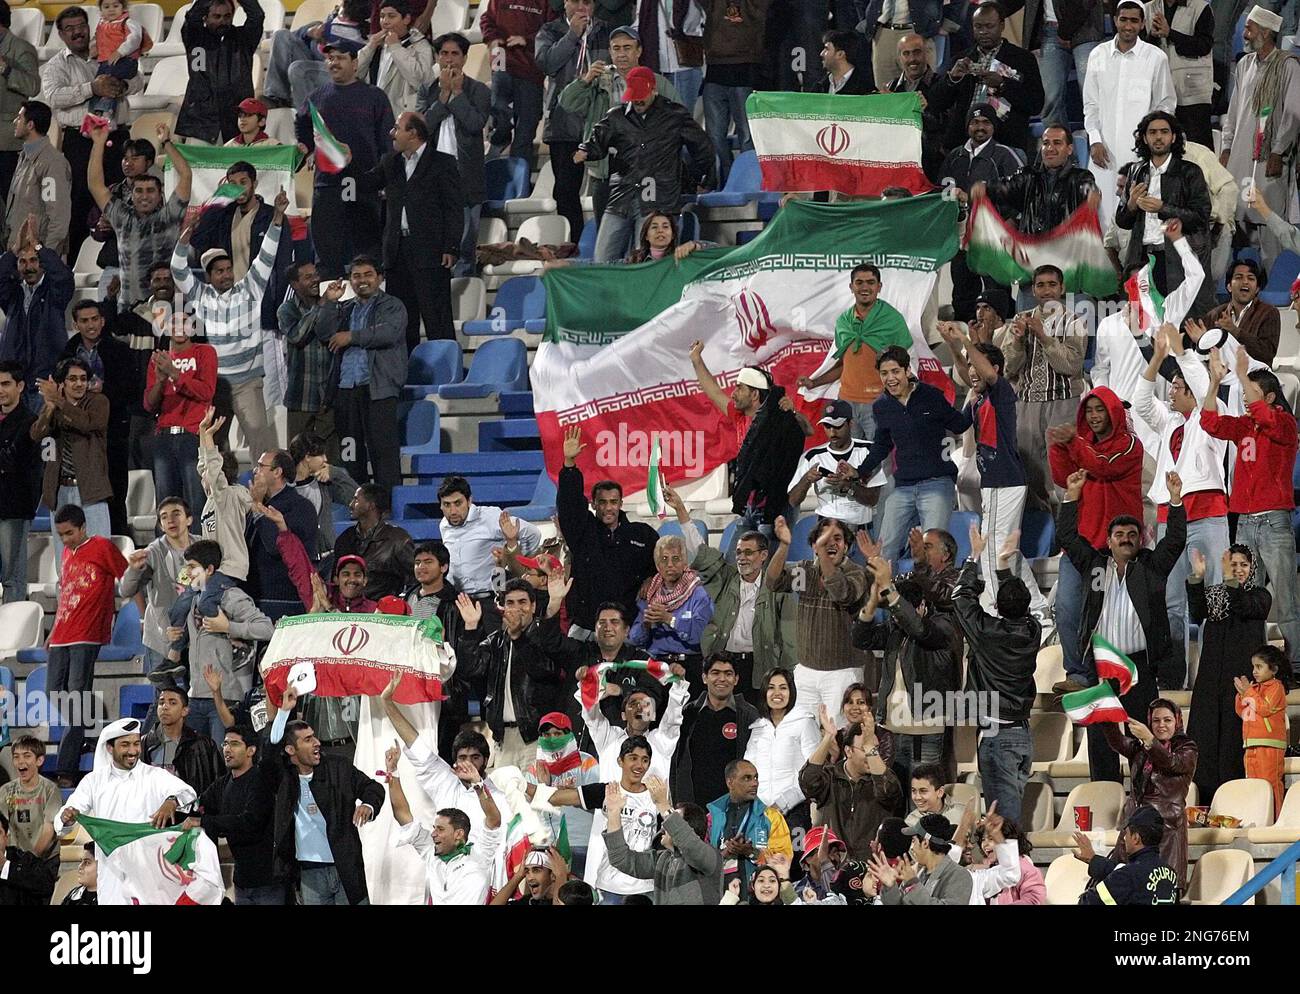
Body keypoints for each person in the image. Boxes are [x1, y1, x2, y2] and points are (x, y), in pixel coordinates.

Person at [1061, 469, 1188, 788]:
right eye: (1120, 534)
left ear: (1140, 538)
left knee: (1142, 740)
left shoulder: (1150, 568)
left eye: (1132, 534)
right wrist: (1071, 497)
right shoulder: (1093, 564)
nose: (1127, 539)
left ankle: (1145, 798)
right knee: (1101, 745)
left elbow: (1174, 542)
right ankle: (1104, 797)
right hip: (1101, 670)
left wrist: (1175, 501)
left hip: (1139, 669)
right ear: (1108, 540)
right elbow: (1067, 538)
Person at [1132, 323, 1226, 690]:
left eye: (1176, 387)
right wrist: (1157, 357)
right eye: (1170, 386)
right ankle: (1174, 678)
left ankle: (1214, 674)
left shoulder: (1208, 418)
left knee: (1216, 596)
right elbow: (1141, 402)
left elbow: (1203, 386)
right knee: (1170, 602)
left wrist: (1182, 351)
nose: (1171, 391)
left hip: (1207, 514)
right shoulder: (1168, 421)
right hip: (1169, 516)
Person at [940, 328, 1052, 625]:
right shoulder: (977, 400)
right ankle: (1037, 604)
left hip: (1008, 480)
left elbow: (983, 373)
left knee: (992, 547)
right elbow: (969, 378)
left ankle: (992, 605)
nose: (972, 372)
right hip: (992, 484)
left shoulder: (1001, 392)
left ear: (995, 369)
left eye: (977, 365)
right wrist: (954, 346)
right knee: (1003, 548)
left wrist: (966, 341)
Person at [1200, 350, 1299, 673]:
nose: (1244, 397)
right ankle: (1253, 663)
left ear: (1270, 397)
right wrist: (1215, 382)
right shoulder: (1244, 425)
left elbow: (1269, 419)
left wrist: (1243, 374)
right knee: (1246, 598)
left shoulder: (1284, 423)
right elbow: (1210, 422)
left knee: (1285, 601)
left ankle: (1296, 665)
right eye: (1243, 392)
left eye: (1251, 393)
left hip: (1273, 520)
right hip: (1243, 521)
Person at [173, 192, 287, 470]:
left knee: (262, 444)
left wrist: (278, 218)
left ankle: (269, 494)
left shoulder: (251, 287)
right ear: (209, 276)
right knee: (215, 448)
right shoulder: (199, 295)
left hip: (248, 383)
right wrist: (186, 234)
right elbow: (177, 268)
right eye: (218, 271)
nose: (225, 274)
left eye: (227, 268)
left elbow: (267, 256)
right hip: (215, 387)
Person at [1046, 387, 1145, 692]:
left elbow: (1103, 465)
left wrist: (1073, 442)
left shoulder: (1130, 445)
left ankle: (1125, 679)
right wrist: (1058, 447)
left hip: (1118, 547)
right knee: (1067, 608)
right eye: (1089, 411)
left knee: (1115, 617)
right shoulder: (1082, 445)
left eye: (1100, 410)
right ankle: (1078, 674)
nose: (1094, 416)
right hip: (1081, 543)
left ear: (1113, 412)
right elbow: (1063, 478)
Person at [664, 487, 797, 704]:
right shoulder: (725, 576)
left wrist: (786, 676)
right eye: (738, 552)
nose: (741, 558)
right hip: (724, 666)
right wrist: (680, 509)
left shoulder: (778, 587)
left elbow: (790, 639)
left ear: (763, 556)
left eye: (748, 552)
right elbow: (699, 550)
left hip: (760, 668)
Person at [577, 64, 714, 263]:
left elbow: (703, 148)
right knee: (602, 260)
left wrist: (700, 179)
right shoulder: (616, 116)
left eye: (642, 94)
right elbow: (598, 141)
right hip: (621, 198)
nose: (638, 100)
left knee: (648, 262)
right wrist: (586, 151)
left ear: (654, 89)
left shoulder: (675, 115)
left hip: (658, 200)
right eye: (634, 95)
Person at [51, 717, 198, 904]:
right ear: (110, 748)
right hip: (111, 873)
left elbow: (188, 793)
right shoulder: (93, 781)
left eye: (137, 744)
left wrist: (172, 800)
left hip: (148, 872)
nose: (133, 751)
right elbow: (64, 819)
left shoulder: (154, 776)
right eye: (125, 745)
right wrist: (68, 819)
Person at [951, 532, 1040, 822]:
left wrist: (973, 557)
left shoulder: (986, 633)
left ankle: (1015, 868)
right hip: (1022, 734)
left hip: (997, 735)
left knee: (1002, 824)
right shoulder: (1032, 631)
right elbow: (1016, 604)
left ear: (998, 607)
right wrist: (1003, 569)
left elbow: (960, 596)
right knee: (1006, 819)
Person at [40, 6, 138, 262]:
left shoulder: (109, 50)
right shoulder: (55, 65)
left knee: (122, 200)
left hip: (117, 139)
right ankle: (74, 266)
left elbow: (138, 78)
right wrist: (91, 88)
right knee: (80, 203)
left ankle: (120, 263)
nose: (77, 32)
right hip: (79, 142)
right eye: (69, 28)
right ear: (60, 34)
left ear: (89, 26)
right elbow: (54, 97)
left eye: (81, 26)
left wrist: (123, 85)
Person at [856, 345, 974, 560]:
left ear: (907, 371)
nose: (890, 378)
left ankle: (935, 593)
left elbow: (958, 425)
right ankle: (884, 593)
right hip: (903, 487)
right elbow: (881, 445)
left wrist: (974, 401)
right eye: (884, 373)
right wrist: (859, 472)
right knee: (884, 550)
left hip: (937, 483)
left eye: (895, 371)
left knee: (933, 550)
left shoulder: (931, 396)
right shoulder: (881, 406)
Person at [266, 700, 386, 905]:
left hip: (346, 868)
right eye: (307, 739)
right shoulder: (283, 776)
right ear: (290, 750)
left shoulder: (338, 767)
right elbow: (268, 752)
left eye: (314, 736)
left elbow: (373, 788)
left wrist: (368, 805)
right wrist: (284, 710)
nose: (317, 743)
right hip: (309, 874)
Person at [854, 559, 962, 785]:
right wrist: (873, 602)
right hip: (893, 728)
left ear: (922, 606)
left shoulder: (942, 626)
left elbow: (918, 628)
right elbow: (860, 638)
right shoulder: (895, 630)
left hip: (926, 729)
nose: (898, 619)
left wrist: (891, 592)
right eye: (894, 615)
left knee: (923, 796)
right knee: (896, 796)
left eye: (901, 612)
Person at [295, 41, 394, 279]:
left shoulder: (374, 97)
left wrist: (384, 182)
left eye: (340, 58)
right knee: (328, 259)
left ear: (355, 62)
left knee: (366, 255)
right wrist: (306, 148)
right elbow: (302, 126)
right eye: (330, 58)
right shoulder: (316, 97)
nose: (333, 63)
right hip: (327, 187)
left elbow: (387, 143)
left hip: (365, 186)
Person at [45, 504, 128, 784]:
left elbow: (128, 578)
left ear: (83, 528)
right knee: (54, 691)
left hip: (87, 632)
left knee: (76, 695)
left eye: (69, 533)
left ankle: (66, 769)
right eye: (61, 535)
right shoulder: (68, 553)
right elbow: (66, 592)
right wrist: (53, 629)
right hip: (62, 633)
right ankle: (92, 731)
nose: (65, 540)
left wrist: (142, 616)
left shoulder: (102, 547)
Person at [381, 674, 512, 853]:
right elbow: (415, 743)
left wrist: (478, 784)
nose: (469, 764)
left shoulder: (500, 797)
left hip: (481, 872)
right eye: (462, 758)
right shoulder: (446, 781)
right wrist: (387, 703)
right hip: (443, 868)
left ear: (486, 761)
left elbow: (495, 824)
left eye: (475, 758)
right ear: (455, 762)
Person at [994, 266, 1088, 512]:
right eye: (1040, 285)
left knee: (1062, 469)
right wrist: (1017, 340)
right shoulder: (1019, 320)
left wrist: (1044, 336)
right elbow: (1008, 369)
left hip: (1064, 401)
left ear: (1062, 288)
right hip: (1027, 404)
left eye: (1052, 284)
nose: (1046, 290)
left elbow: (1071, 365)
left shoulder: (1073, 321)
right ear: (1033, 289)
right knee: (1030, 470)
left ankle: (1066, 528)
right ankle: (1043, 532)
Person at [972, 125, 1098, 305]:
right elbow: (1005, 187)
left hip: (1067, 271)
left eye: (1057, 143)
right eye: (1046, 143)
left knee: (1067, 330)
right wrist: (984, 188)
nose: (1050, 148)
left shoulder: (1081, 177)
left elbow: (1087, 189)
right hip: (1032, 271)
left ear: (1069, 149)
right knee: (1027, 328)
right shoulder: (1028, 176)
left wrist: (1091, 194)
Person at [370, 111, 463, 350]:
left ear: (412, 133)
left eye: (397, 128)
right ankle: (407, 373)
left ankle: (445, 370)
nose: (392, 133)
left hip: (430, 253)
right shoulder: (390, 162)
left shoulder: (443, 163)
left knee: (437, 318)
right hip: (397, 253)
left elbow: (453, 208)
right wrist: (345, 161)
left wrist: (451, 247)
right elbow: (367, 183)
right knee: (402, 320)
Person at [1219, 4, 1300, 270]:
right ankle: (1242, 281)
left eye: (1249, 29)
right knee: (1239, 220)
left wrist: (1278, 150)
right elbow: (1234, 110)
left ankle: (1269, 284)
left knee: (1269, 222)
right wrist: (1227, 146)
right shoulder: (1244, 64)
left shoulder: (1288, 66)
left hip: (1270, 159)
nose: (1244, 34)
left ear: (1265, 33)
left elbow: (1293, 113)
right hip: (1241, 155)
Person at [556, 424, 658, 634]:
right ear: (594, 504)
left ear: (621, 503)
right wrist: (569, 465)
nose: (608, 507)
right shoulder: (583, 532)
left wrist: (651, 578)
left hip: (626, 630)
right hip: (586, 626)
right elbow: (569, 505)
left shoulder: (642, 534)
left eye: (613, 501)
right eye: (602, 502)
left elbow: (662, 564)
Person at [1186, 546, 1270, 802]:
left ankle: (1238, 801)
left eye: (1243, 564)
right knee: (1207, 739)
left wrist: (1229, 581)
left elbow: (1243, 606)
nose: (1238, 569)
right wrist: (1198, 578)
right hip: (1211, 681)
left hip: (1242, 684)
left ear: (1252, 568)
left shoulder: (1260, 596)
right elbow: (1197, 611)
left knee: (1235, 741)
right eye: (1232, 564)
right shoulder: (1216, 595)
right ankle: (1207, 802)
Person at [692, 353, 805, 541]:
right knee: (735, 562)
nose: (732, 393)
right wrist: (696, 360)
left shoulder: (778, 423)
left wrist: (793, 412)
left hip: (774, 508)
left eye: (739, 388)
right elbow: (713, 391)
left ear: (754, 394)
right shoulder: (740, 419)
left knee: (766, 565)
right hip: (750, 507)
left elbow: (801, 437)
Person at [316, 258, 407, 490]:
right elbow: (324, 332)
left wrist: (352, 337)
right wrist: (328, 302)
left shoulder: (392, 306)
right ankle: (355, 501)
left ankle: (387, 506)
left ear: (379, 278)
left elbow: (389, 333)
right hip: (346, 390)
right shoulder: (345, 308)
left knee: (382, 452)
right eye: (356, 276)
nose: (362, 280)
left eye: (368, 274)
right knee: (350, 451)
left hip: (378, 389)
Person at [797, 264, 915, 443]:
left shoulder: (893, 319)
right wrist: (814, 382)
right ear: (851, 287)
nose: (865, 287)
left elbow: (908, 366)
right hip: (845, 404)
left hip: (880, 403)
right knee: (847, 461)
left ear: (879, 287)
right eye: (859, 282)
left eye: (870, 282)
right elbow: (844, 364)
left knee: (879, 465)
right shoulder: (844, 321)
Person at [190, 160, 295, 360]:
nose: (239, 188)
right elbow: (197, 239)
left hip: (262, 306)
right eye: (233, 184)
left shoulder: (272, 215)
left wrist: (277, 310)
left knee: (271, 378)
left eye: (243, 182)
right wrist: (219, 200)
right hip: (230, 306)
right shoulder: (224, 216)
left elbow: (282, 266)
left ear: (254, 183)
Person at [1083, 0, 1176, 225]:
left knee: (1138, 220)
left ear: (1142, 23)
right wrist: (1094, 140)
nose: (1128, 26)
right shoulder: (1098, 55)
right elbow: (1090, 105)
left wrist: (1151, 141)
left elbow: (1165, 105)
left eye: (1134, 20)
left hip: (1140, 155)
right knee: (1101, 219)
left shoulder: (1156, 58)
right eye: (1123, 19)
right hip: (1103, 154)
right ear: (1115, 20)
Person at [454, 579, 564, 769]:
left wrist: (519, 638)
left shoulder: (545, 636)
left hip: (536, 739)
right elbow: (471, 669)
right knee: (504, 798)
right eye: (510, 603)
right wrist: (471, 628)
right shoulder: (495, 641)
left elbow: (543, 671)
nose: (516, 608)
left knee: (536, 797)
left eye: (522, 602)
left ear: (533, 606)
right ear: (502, 608)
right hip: (503, 739)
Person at [767, 515, 872, 712]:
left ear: (847, 547)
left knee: (837, 736)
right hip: (805, 672)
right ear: (814, 545)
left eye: (837, 538)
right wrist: (783, 545)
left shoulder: (856, 573)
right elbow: (773, 582)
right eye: (824, 538)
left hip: (842, 674)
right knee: (803, 738)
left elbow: (842, 593)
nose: (831, 543)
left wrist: (823, 553)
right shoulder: (805, 571)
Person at [537, 735, 658, 903]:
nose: (639, 765)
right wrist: (527, 785)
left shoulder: (657, 796)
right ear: (620, 761)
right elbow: (556, 798)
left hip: (645, 888)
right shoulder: (606, 791)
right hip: (610, 888)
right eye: (633, 758)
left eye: (645, 760)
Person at [1115, 111, 1214, 317]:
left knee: (1179, 320)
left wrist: (1163, 208)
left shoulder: (1190, 171)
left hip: (1176, 258)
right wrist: (1132, 204)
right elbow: (1122, 221)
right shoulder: (1136, 171)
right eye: (1152, 132)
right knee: (1145, 321)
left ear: (1174, 137)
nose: (1158, 137)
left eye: (1164, 132)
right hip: (1141, 257)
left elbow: (1201, 216)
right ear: (1144, 137)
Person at [175, 538, 275, 737]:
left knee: (223, 762)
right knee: (196, 763)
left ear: (210, 569)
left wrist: (229, 626)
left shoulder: (230, 596)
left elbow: (267, 629)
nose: (187, 573)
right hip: (195, 696)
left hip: (226, 696)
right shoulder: (193, 600)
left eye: (192, 567)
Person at [88, 120, 192, 308]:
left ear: (160, 194)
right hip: (130, 307)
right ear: (131, 195)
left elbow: (185, 175)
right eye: (139, 191)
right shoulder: (122, 218)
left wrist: (166, 142)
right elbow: (95, 184)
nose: (144, 196)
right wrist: (98, 143)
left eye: (150, 191)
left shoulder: (170, 216)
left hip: (166, 306)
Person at [383, 742, 502, 905]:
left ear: (458, 834)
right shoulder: (431, 854)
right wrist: (393, 772)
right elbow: (403, 815)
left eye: (440, 829)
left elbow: (494, 819)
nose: (433, 834)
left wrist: (478, 786)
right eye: (434, 829)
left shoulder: (480, 855)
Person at [416, 33, 492, 276]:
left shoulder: (479, 90)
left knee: (465, 244)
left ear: (465, 58)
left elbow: (474, 123)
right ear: (437, 58)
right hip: (433, 176)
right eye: (444, 54)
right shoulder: (427, 90)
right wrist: (442, 98)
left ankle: (467, 295)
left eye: (455, 54)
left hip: (466, 177)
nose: (449, 59)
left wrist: (457, 94)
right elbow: (421, 129)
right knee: (437, 244)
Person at [927, 2, 1044, 159]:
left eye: (989, 26)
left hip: (1007, 143)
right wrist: (952, 79)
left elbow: (1036, 104)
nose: (983, 32)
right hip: (963, 145)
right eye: (978, 27)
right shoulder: (961, 59)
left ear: (1002, 25)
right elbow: (935, 104)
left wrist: (1003, 85)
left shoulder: (1023, 59)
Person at [60, 301, 138, 535]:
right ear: (76, 324)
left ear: (102, 321)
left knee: (115, 494)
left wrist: (104, 390)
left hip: (113, 433)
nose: (91, 325)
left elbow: (131, 391)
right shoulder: (67, 351)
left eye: (95, 319)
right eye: (84, 320)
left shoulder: (120, 350)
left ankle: (119, 551)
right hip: (77, 436)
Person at [938, 107, 1024, 318]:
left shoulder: (1004, 155)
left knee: (996, 295)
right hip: (961, 239)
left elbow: (1022, 193)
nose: (980, 127)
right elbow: (940, 192)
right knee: (962, 295)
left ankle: (1000, 343)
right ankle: (967, 343)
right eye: (975, 122)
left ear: (993, 126)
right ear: (967, 126)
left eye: (986, 122)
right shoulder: (954, 156)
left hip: (993, 238)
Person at [537, 0, 610, 243]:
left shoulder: (606, 32)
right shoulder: (549, 31)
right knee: (566, 191)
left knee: (606, 190)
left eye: (586, 1)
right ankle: (575, 245)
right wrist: (572, 35)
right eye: (575, 0)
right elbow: (546, 63)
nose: (581, 6)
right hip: (563, 124)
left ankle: (606, 245)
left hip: (600, 124)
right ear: (564, 3)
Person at [186, 723, 281, 903]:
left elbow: (250, 822)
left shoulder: (261, 781)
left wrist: (205, 821)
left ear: (251, 750)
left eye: (235, 744)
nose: (227, 749)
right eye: (225, 744)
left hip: (268, 882)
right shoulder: (223, 784)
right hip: (242, 881)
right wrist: (174, 803)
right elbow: (199, 804)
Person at [799, 710, 902, 859]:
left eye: (875, 749)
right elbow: (807, 781)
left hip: (871, 869)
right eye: (864, 748)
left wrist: (869, 747)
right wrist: (827, 738)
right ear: (848, 751)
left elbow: (890, 793)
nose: (871, 754)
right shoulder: (830, 776)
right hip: (833, 867)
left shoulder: (883, 779)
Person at [603, 775, 721, 905]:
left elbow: (689, 844)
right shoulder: (663, 860)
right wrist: (613, 814)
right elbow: (621, 858)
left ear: (688, 828)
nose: (664, 824)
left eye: (671, 818)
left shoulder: (710, 857)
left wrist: (662, 804)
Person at [576, 651, 689, 782]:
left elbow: (673, 714)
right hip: (610, 802)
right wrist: (588, 682)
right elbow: (591, 716)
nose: (639, 707)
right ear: (623, 715)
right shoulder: (609, 738)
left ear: (653, 715)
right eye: (633, 703)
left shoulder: (662, 740)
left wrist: (679, 683)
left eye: (646, 704)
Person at [31, 358, 111, 539]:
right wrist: (50, 408)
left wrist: (59, 401)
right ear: (62, 383)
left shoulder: (98, 402)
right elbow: (36, 434)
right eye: (73, 379)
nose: (79, 384)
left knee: (97, 553)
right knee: (65, 561)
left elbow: (87, 423)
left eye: (83, 379)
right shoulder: (54, 406)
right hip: (59, 492)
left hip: (91, 490)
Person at [0, 218, 75, 409]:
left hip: (44, 381)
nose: (29, 266)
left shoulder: (54, 293)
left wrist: (39, 247)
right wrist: (14, 249)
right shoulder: (12, 294)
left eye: (34, 260)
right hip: (15, 382)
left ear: (42, 264)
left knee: (42, 436)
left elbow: (64, 276)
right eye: (22, 262)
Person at [695, 0, 771, 185]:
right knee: (714, 137)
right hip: (714, 71)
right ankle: (726, 182)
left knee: (747, 137)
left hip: (745, 72)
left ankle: (749, 182)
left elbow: (764, 12)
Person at [120, 496, 195, 682]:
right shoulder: (153, 552)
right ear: (161, 526)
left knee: (190, 702)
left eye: (176, 514)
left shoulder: (201, 547)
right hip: (161, 638)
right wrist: (133, 569)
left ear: (189, 519)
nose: (170, 520)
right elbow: (125, 590)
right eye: (164, 517)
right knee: (165, 700)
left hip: (194, 637)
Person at [628, 535, 713, 693]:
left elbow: (700, 636)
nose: (670, 565)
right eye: (664, 559)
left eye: (676, 558)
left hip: (690, 665)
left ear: (685, 563)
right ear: (657, 565)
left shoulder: (698, 593)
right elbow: (635, 639)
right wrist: (646, 624)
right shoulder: (650, 593)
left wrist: (669, 619)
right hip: (657, 665)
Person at [671, 655, 760, 806]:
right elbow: (676, 762)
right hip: (694, 803)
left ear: (736, 679)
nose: (722, 679)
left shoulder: (749, 715)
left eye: (728, 673)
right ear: (705, 677)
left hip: (734, 805)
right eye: (715, 673)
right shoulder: (688, 713)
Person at [1003, 0, 1103, 130]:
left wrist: (1066, 31)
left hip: (1086, 29)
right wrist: (992, 8)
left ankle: (1099, 146)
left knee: (1091, 94)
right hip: (1048, 32)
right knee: (1049, 99)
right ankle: (1058, 146)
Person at [438, 475, 542, 601]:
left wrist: (515, 563)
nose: (453, 511)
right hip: (458, 601)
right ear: (441, 506)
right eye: (447, 505)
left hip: (489, 599)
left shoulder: (490, 518)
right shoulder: (444, 525)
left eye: (458, 503)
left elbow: (533, 534)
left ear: (469, 500)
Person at [788, 399, 886, 531]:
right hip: (826, 531)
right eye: (827, 426)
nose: (832, 432)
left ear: (850, 423)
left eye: (838, 426)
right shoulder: (813, 456)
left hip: (860, 531)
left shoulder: (868, 452)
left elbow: (873, 499)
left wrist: (848, 486)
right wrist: (806, 480)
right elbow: (793, 501)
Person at [744, 668, 819, 839]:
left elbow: (813, 775)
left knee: (792, 863)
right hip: (760, 814)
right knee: (761, 861)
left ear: (791, 691)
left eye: (783, 688)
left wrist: (783, 803)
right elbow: (747, 769)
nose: (777, 693)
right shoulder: (758, 727)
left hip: (794, 814)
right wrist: (756, 805)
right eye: (771, 687)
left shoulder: (805, 722)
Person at [177, 0, 266, 145]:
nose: (222, 21)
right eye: (216, 16)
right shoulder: (194, 37)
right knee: (197, 167)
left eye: (227, 16)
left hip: (236, 119)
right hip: (201, 122)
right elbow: (192, 17)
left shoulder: (244, 39)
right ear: (205, 17)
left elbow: (257, 15)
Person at [245, 450, 318, 619]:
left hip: (285, 600)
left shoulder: (300, 507)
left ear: (277, 472)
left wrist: (257, 507)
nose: (255, 471)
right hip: (256, 596)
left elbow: (275, 546)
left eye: (261, 466)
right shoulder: (258, 504)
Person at [481, 0, 552, 169]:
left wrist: (526, 40)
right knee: (498, 108)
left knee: (525, 131)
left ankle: (520, 183)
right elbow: (486, 19)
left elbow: (552, 31)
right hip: (500, 59)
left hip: (531, 69)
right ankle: (498, 145)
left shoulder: (545, 3)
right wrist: (493, 38)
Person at [1142, 0, 1215, 147]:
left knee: (1200, 149)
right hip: (1160, 93)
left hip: (1194, 94)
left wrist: (1170, 33)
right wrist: (1153, 36)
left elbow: (1203, 46)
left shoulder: (1200, 8)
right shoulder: (1148, 9)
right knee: (1164, 149)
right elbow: (1142, 51)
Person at [4, 102, 72, 258]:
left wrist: (46, 256)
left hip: (35, 258)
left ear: (30, 125)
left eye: (19, 117)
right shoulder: (23, 157)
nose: (15, 122)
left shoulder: (52, 163)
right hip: (18, 252)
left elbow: (58, 216)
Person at [288, 432, 361, 578]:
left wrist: (335, 473)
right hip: (301, 560)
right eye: (321, 455)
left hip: (328, 559)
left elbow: (357, 497)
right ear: (307, 457)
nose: (325, 459)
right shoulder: (285, 488)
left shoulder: (325, 483)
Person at [280, 261, 336, 449]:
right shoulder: (287, 310)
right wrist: (320, 306)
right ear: (295, 284)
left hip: (328, 398)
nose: (316, 280)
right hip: (301, 397)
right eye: (308, 277)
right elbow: (297, 336)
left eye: (316, 275)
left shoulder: (331, 305)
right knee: (297, 459)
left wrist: (326, 305)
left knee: (329, 460)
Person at [1075, 805, 1179, 905]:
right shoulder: (1170, 873)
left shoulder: (1128, 875)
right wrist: (1094, 860)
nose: (1124, 838)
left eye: (1127, 833)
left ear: (1136, 838)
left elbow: (1088, 902)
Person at [878, 31, 946, 180]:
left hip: (930, 166)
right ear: (899, 58)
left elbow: (946, 128)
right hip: (898, 165)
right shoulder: (890, 88)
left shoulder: (942, 85)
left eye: (917, 52)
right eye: (906, 54)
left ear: (926, 53)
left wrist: (925, 111)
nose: (912, 59)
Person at [1235, 644, 1289, 819]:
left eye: (1259, 667)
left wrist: (1248, 692)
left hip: (1270, 745)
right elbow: (1242, 712)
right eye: (1253, 667)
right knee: (1255, 785)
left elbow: (1265, 708)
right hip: (1251, 744)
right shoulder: (1254, 689)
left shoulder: (1277, 688)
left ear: (1273, 669)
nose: (1254, 671)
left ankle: (1276, 820)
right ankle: (1259, 818)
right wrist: (1242, 694)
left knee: (1270, 784)